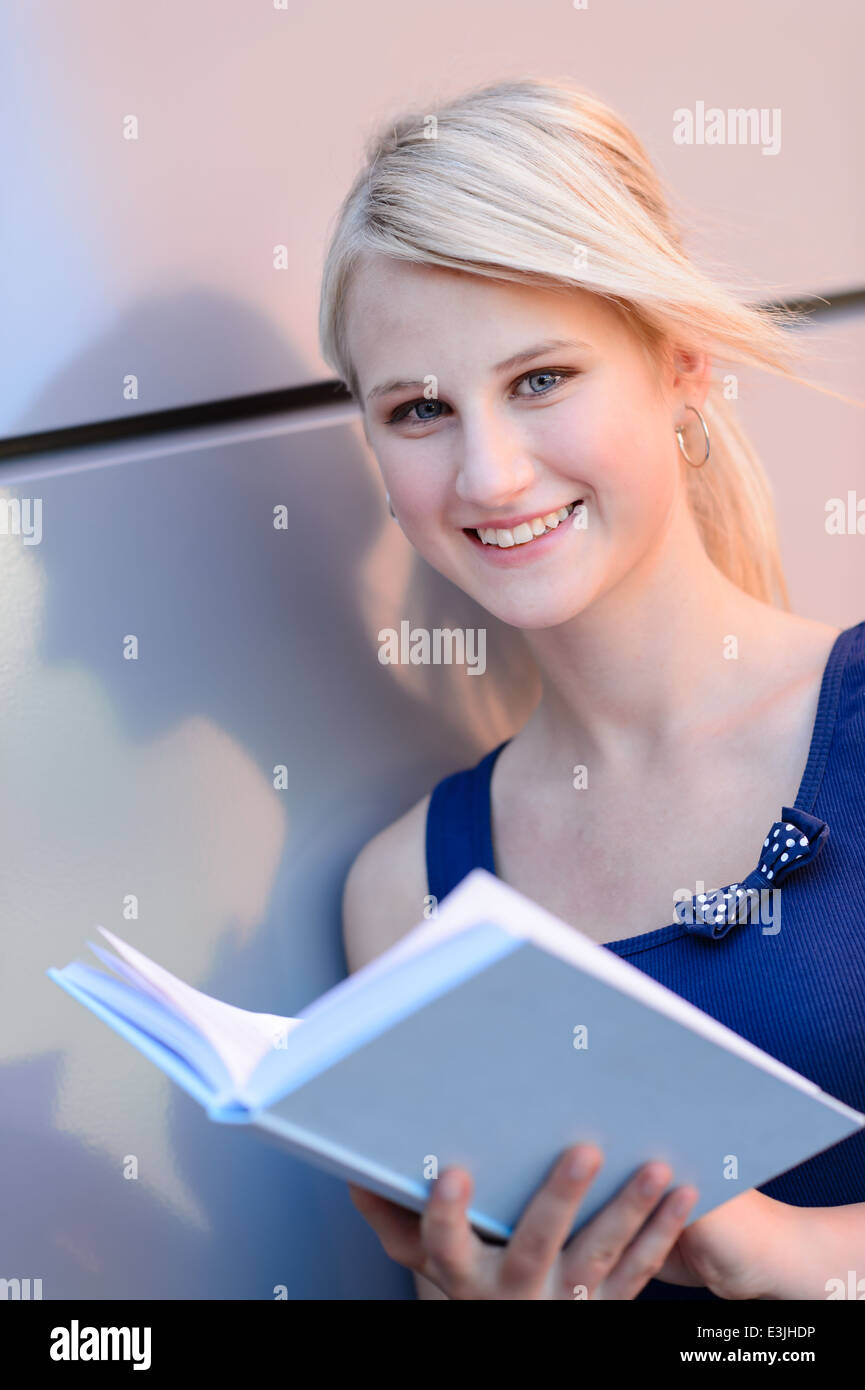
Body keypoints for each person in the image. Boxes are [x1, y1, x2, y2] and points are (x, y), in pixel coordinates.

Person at [318, 75, 865, 1300]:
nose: (490, 471)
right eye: (418, 409)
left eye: (541, 379)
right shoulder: (404, 895)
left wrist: (801, 1255)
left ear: (682, 365)